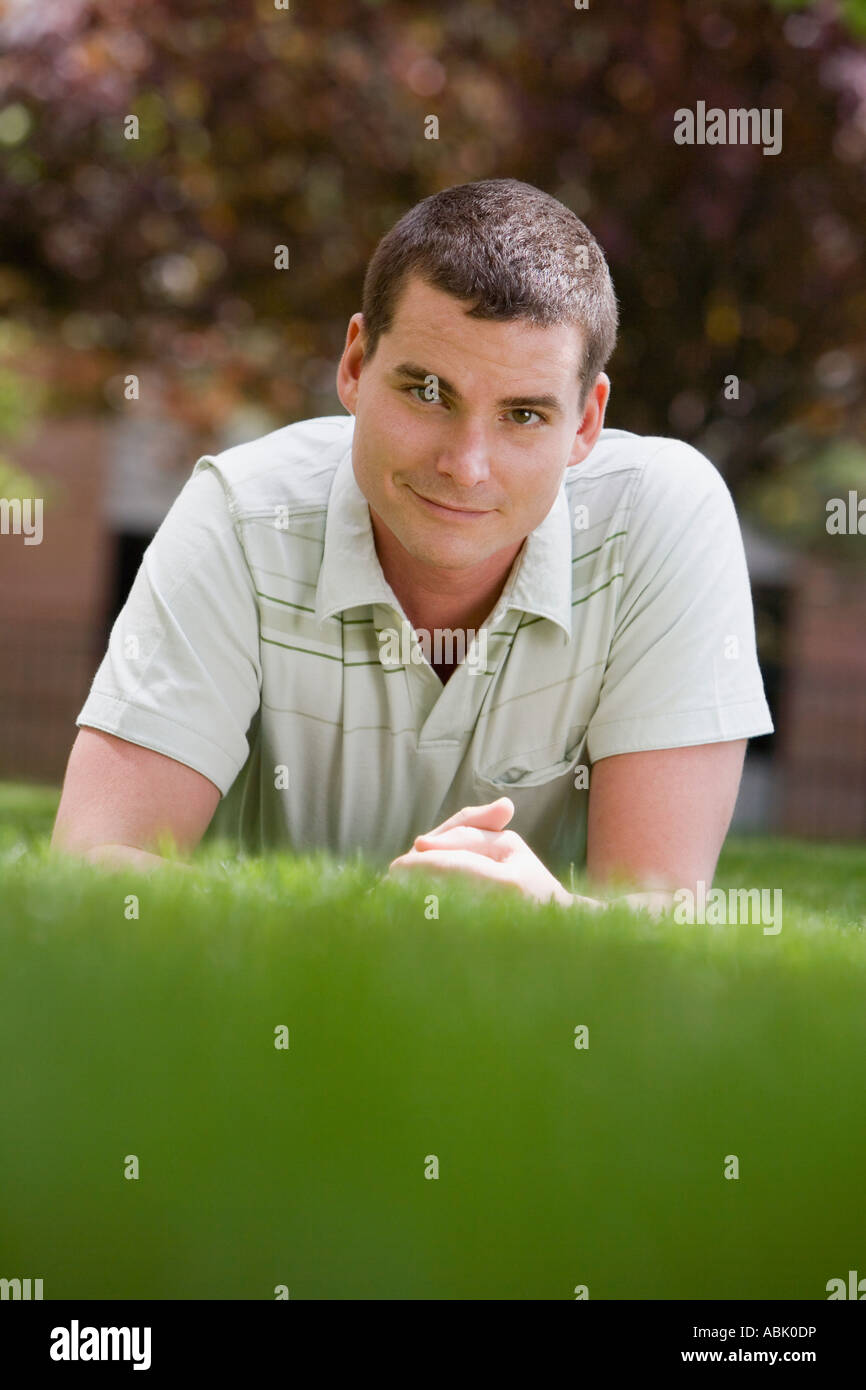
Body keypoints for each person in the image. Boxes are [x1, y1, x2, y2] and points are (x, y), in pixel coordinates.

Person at [50, 178, 773, 911]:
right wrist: (360, 927)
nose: (466, 465)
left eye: (523, 414)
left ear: (587, 422)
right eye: (429, 392)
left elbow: (660, 928)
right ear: (356, 364)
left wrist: (547, 923)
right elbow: (93, 867)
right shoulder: (242, 514)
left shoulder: (661, 517)